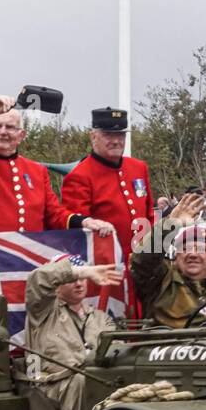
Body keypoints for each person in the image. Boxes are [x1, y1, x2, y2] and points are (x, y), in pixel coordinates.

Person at [0, 91, 114, 298]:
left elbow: (54, 214)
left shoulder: (36, 171)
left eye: (10, 127)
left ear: (21, 135)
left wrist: (85, 222)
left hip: (27, 265)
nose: (3, 132)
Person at [61, 106, 154, 309]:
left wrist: (155, 253)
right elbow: (78, 235)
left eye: (120, 135)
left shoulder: (138, 168)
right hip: (108, 272)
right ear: (93, 136)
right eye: (108, 135)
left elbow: (148, 216)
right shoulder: (80, 176)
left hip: (142, 269)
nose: (115, 141)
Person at [23, 256, 122, 410]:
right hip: (52, 388)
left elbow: (117, 349)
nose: (79, 284)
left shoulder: (101, 318)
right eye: (72, 280)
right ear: (57, 284)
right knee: (81, 381)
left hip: (96, 381)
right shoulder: (43, 312)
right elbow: (37, 279)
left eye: (82, 279)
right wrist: (84, 271)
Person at [129, 195, 206, 328]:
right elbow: (142, 260)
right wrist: (170, 224)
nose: (193, 254)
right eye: (186, 248)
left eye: (201, 249)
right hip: (170, 346)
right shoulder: (160, 282)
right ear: (176, 254)